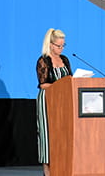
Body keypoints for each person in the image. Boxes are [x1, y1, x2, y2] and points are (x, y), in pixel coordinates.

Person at [35, 28, 72, 176]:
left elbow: (70, 79)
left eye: (63, 45)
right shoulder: (43, 60)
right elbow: (43, 84)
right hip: (47, 100)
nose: (61, 48)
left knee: (63, 135)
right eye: (58, 46)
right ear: (50, 44)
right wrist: (61, 86)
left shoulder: (65, 60)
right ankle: (47, 171)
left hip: (64, 101)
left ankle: (62, 169)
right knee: (47, 135)